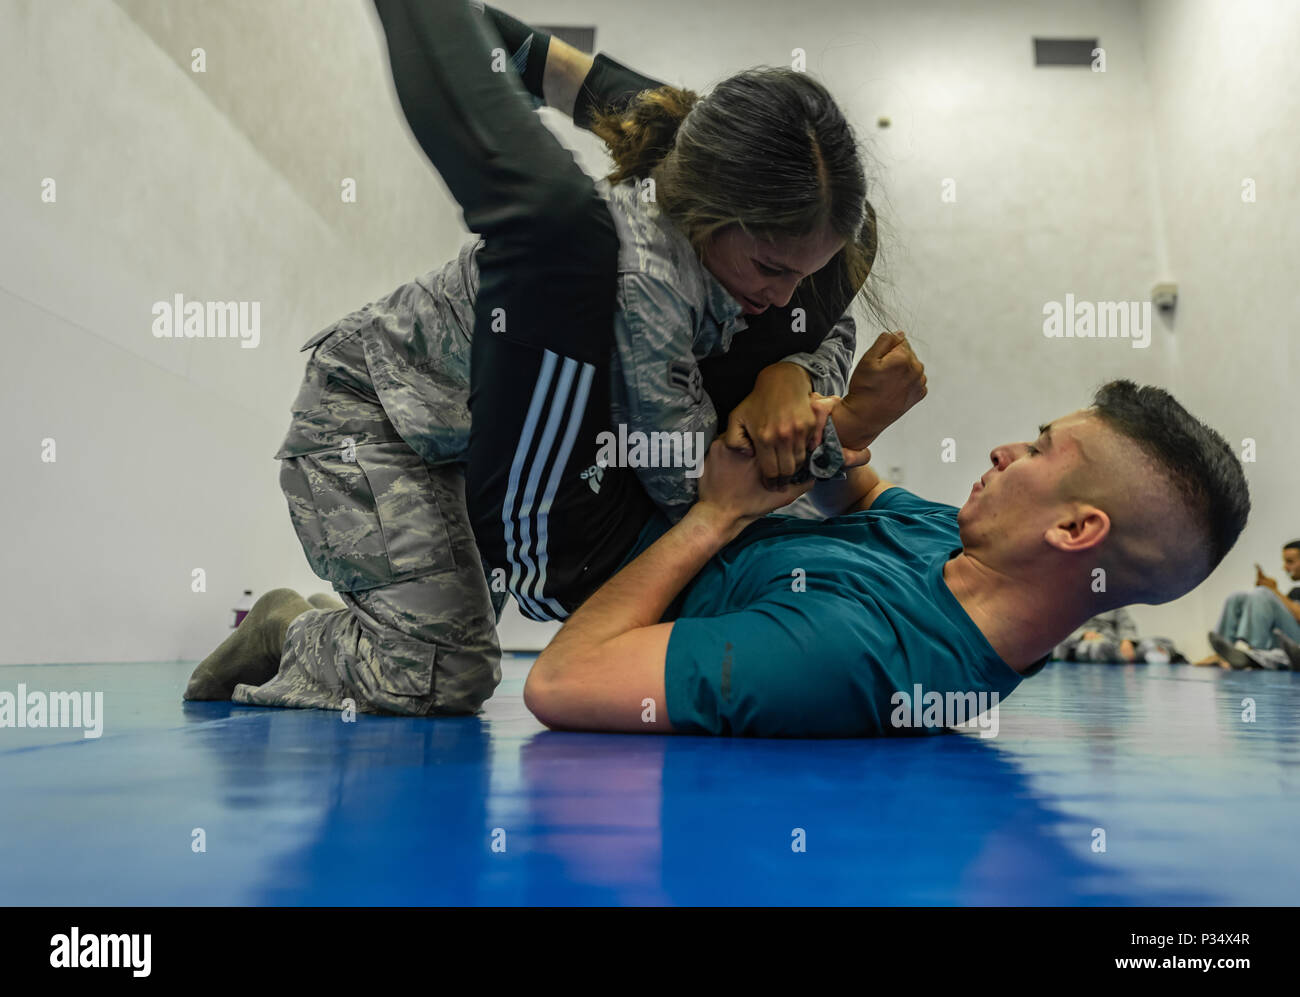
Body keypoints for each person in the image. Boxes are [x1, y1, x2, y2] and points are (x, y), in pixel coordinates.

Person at [183, 0, 888, 716]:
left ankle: (371, 621)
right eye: (770, 268)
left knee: (441, 639)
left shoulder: (701, 156)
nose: (785, 295)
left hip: (482, 434)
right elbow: (684, 480)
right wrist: (841, 431)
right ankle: (283, 627)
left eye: (806, 273)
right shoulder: (648, 280)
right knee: (441, 675)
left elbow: (823, 325)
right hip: (375, 416)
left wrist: (793, 375)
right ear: (710, 213)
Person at [523, 381, 1251, 736]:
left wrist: (717, 515)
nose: (1004, 450)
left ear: (1073, 528)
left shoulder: (859, 654)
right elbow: (862, 491)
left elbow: (561, 682)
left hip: (578, 532)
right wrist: (833, 409)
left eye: (1037, 450)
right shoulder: (958, 544)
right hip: (659, 479)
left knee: (561, 241)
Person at [1198, 540, 1300, 669]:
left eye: (1290, 562)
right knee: (1238, 598)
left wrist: (1273, 591)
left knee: (1262, 594)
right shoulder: (1295, 592)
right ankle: (1221, 655)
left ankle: (1255, 655)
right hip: (1286, 645)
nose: (1285, 567)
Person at [1051, 608, 1183, 664]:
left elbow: (1126, 624)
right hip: (1083, 643)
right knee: (1097, 647)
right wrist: (1082, 635)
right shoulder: (1071, 600)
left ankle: (1153, 652)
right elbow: (1061, 626)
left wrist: (1127, 641)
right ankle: (1141, 656)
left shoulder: (1113, 602)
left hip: (1112, 641)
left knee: (1161, 642)